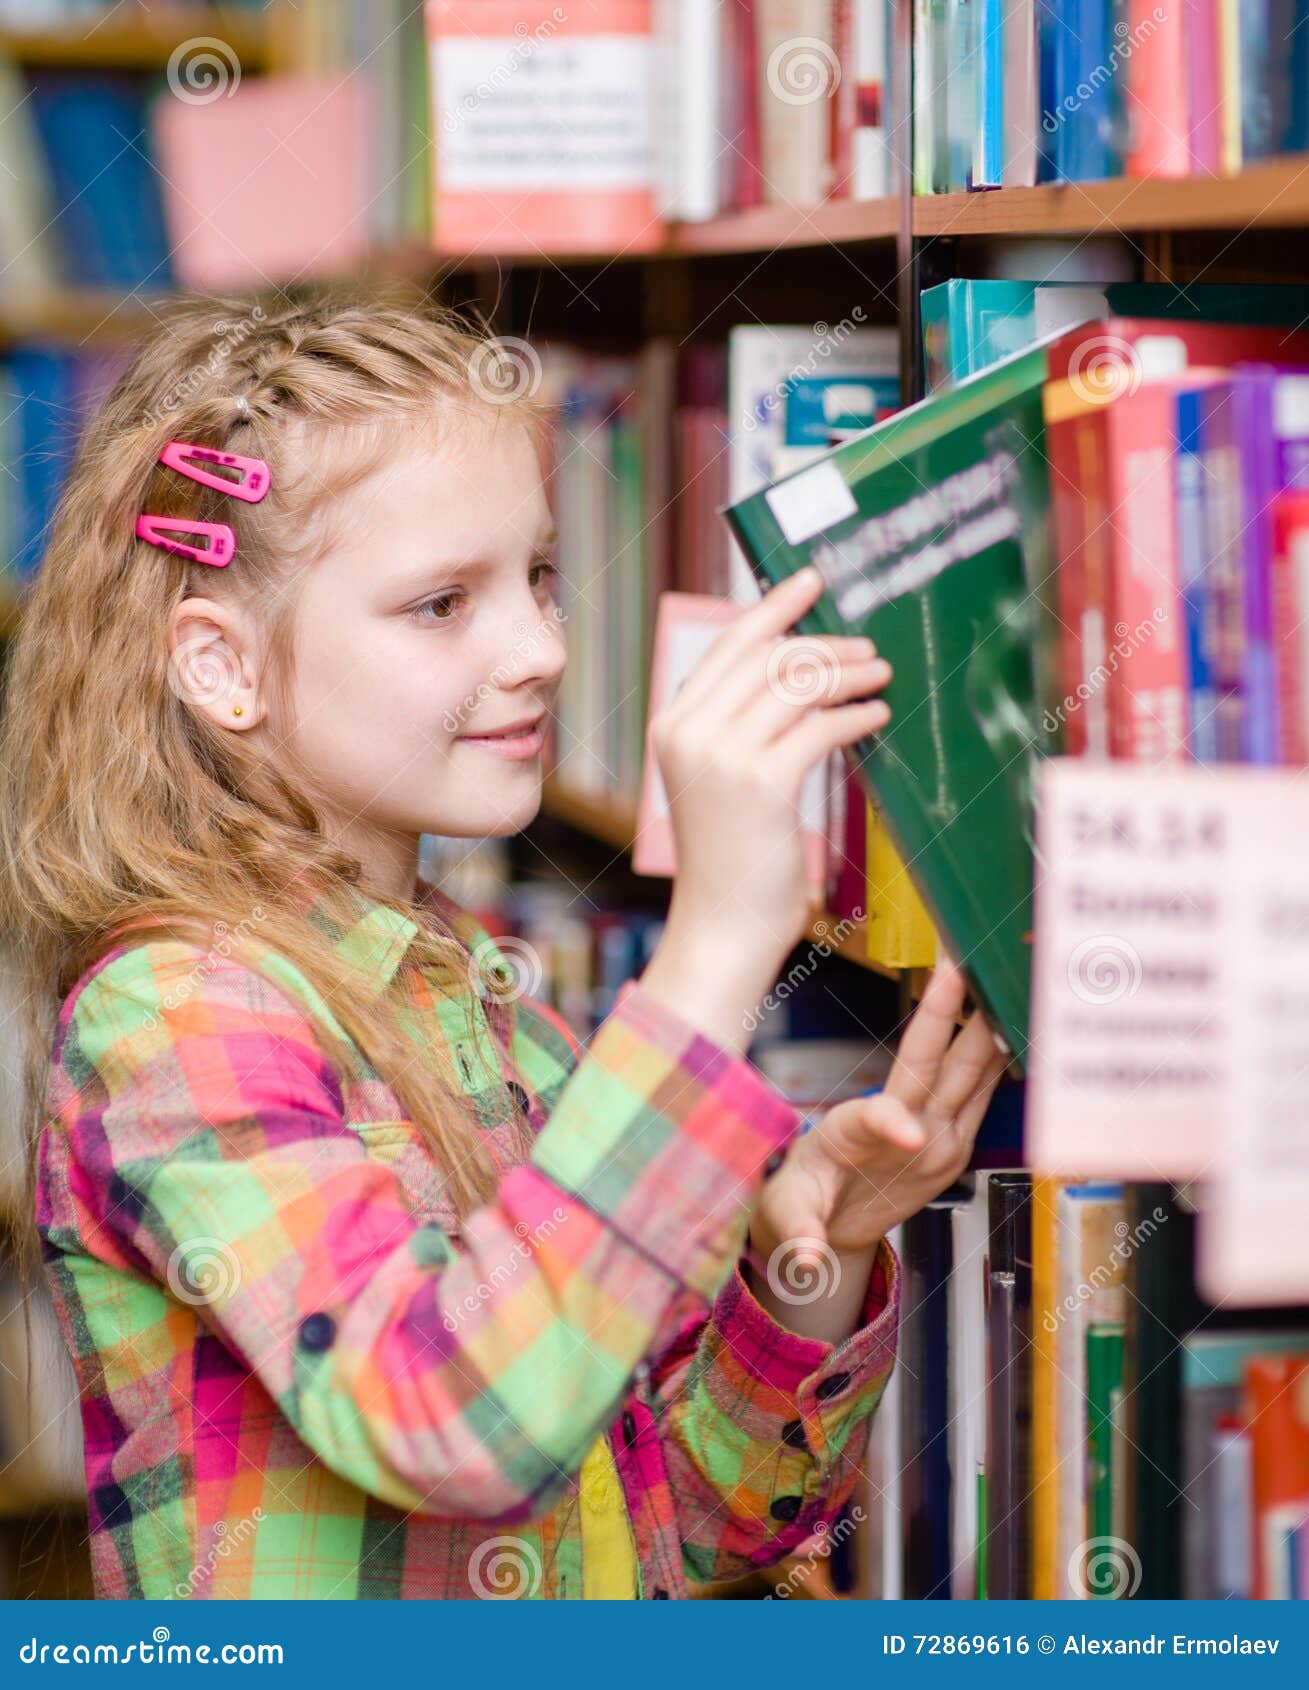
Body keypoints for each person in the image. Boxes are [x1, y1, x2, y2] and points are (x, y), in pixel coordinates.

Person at [0, 290, 1007, 1599]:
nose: (540, 648)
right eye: (439, 603)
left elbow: (681, 1533)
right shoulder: (178, 1016)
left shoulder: (489, 1004)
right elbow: (458, 1424)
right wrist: (715, 939)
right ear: (222, 663)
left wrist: (809, 1262)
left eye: (537, 576)